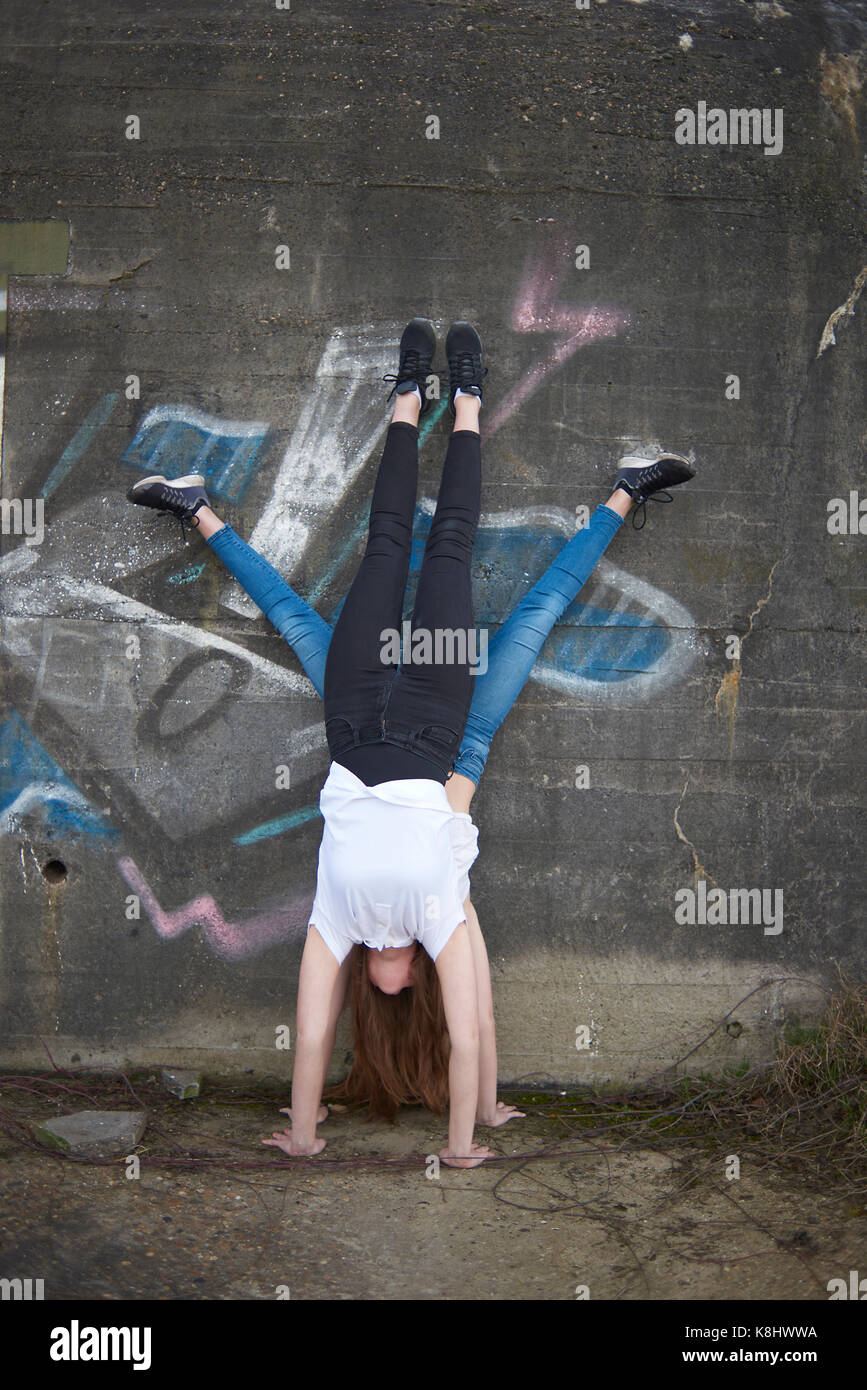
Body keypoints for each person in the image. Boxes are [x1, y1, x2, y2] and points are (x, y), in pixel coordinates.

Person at [127, 318, 695, 1167]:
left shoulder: (337, 924)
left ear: (368, 978)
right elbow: (476, 1030)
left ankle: (380, 408)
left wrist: (307, 1134)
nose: (390, 977)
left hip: (356, 717)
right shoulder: (444, 919)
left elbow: (314, 1032)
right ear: (419, 977)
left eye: (379, 984)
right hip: (448, 733)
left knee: (354, 567)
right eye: (404, 982)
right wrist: (473, 1133)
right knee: (501, 589)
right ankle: (476, 402)